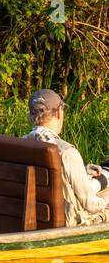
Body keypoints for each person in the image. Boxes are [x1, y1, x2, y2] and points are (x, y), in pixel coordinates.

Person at [23, 89, 109, 227]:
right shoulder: (67, 152)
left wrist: (82, 170)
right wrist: (104, 200)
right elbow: (91, 205)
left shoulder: (22, 144)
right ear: (58, 112)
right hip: (68, 219)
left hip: (36, 213)